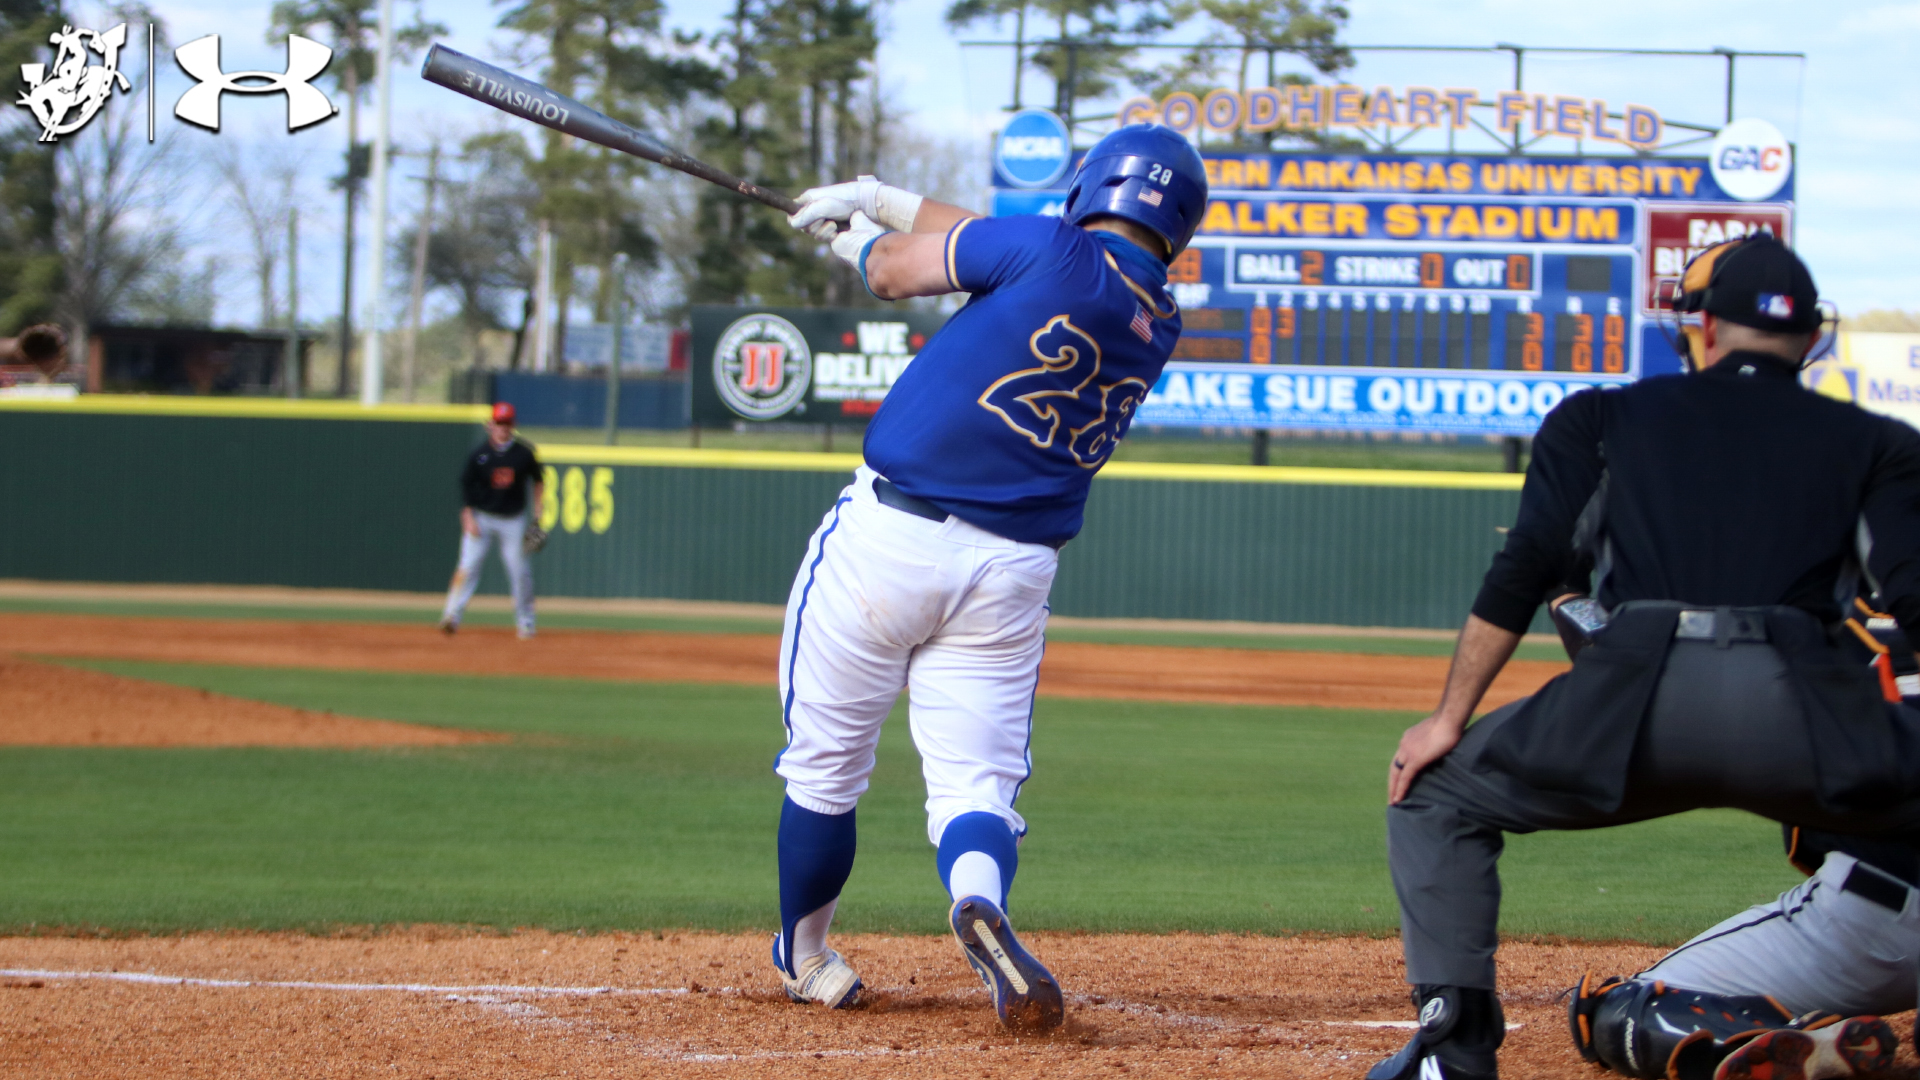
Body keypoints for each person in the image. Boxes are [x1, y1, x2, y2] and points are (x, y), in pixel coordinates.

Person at [1369, 235, 1920, 1080]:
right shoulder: (1879, 441)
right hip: (1806, 716)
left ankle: (1454, 1058)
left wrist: (1448, 719)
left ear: (1700, 331)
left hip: (1634, 706)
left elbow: (1530, 566)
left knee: (1435, 797)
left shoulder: (1600, 416)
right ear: (1813, 339)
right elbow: (1912, 595)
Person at [765, 124, 1206, 1031]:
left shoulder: (1050, 249)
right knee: (975, 790)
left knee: (825, 773)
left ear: (1093, 187)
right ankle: (981, 901)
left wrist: (863, 244)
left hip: (889, 542)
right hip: (1012, 573)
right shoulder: (1157, 318)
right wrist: (880, 198)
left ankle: (807, 956)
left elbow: (898, 275)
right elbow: (1009, 249)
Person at [439, 402, 544, 640]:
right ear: (490, 425)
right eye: (499, 423)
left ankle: (526, 622)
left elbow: (538, 481)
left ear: (513, 425)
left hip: (513, 520)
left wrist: (538, 515)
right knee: (467, 566)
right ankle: (451, 617)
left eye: (506, 423)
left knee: (520, 572)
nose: (502, 428)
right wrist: (467, 516)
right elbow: (466, 486)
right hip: (482, 518)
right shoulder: (479, 454)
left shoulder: (524, 453)